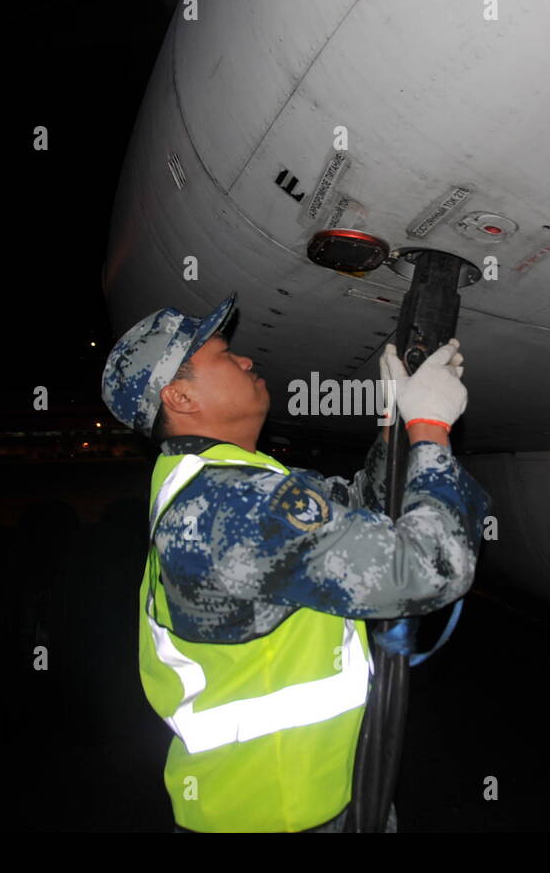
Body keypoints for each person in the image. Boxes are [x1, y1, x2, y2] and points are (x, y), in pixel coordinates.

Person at [101, 292, 490, 832]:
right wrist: (429, 428)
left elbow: (363, 509)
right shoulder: (227, 507)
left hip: (314, 800)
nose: (246, 360)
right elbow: (428, 569)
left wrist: (393, 421)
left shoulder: (233, 483)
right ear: (180, 396)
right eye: (223, 356)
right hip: (274, 816)